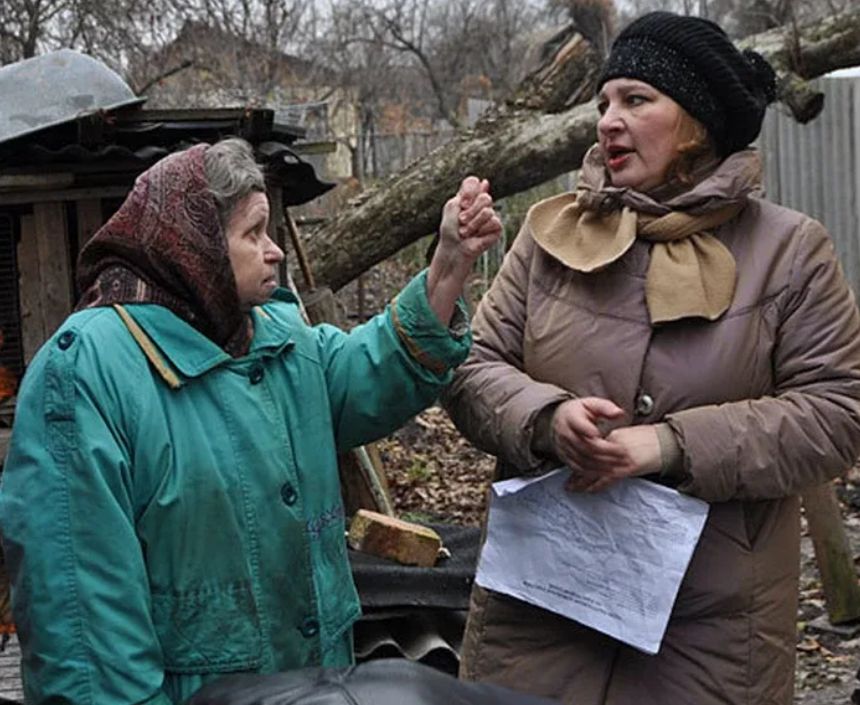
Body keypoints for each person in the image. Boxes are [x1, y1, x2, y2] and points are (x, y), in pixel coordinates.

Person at [443, 11, 860, 705]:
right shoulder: (552, 235)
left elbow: (836, 415)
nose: (608, 119)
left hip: (712, 629)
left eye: (636, 100)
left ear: (698, 122)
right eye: (604, 101)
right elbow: (470, 365)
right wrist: (548, 418)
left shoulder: (790, 252)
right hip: (544, 608)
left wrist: (669, 444)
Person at [0, 137, 502, 705]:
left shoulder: (273, 337)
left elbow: (369, 373)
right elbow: (84, 634)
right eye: (254, 233)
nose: (276, 251)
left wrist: (448, 268)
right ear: (197, 246)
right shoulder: (85, 375)